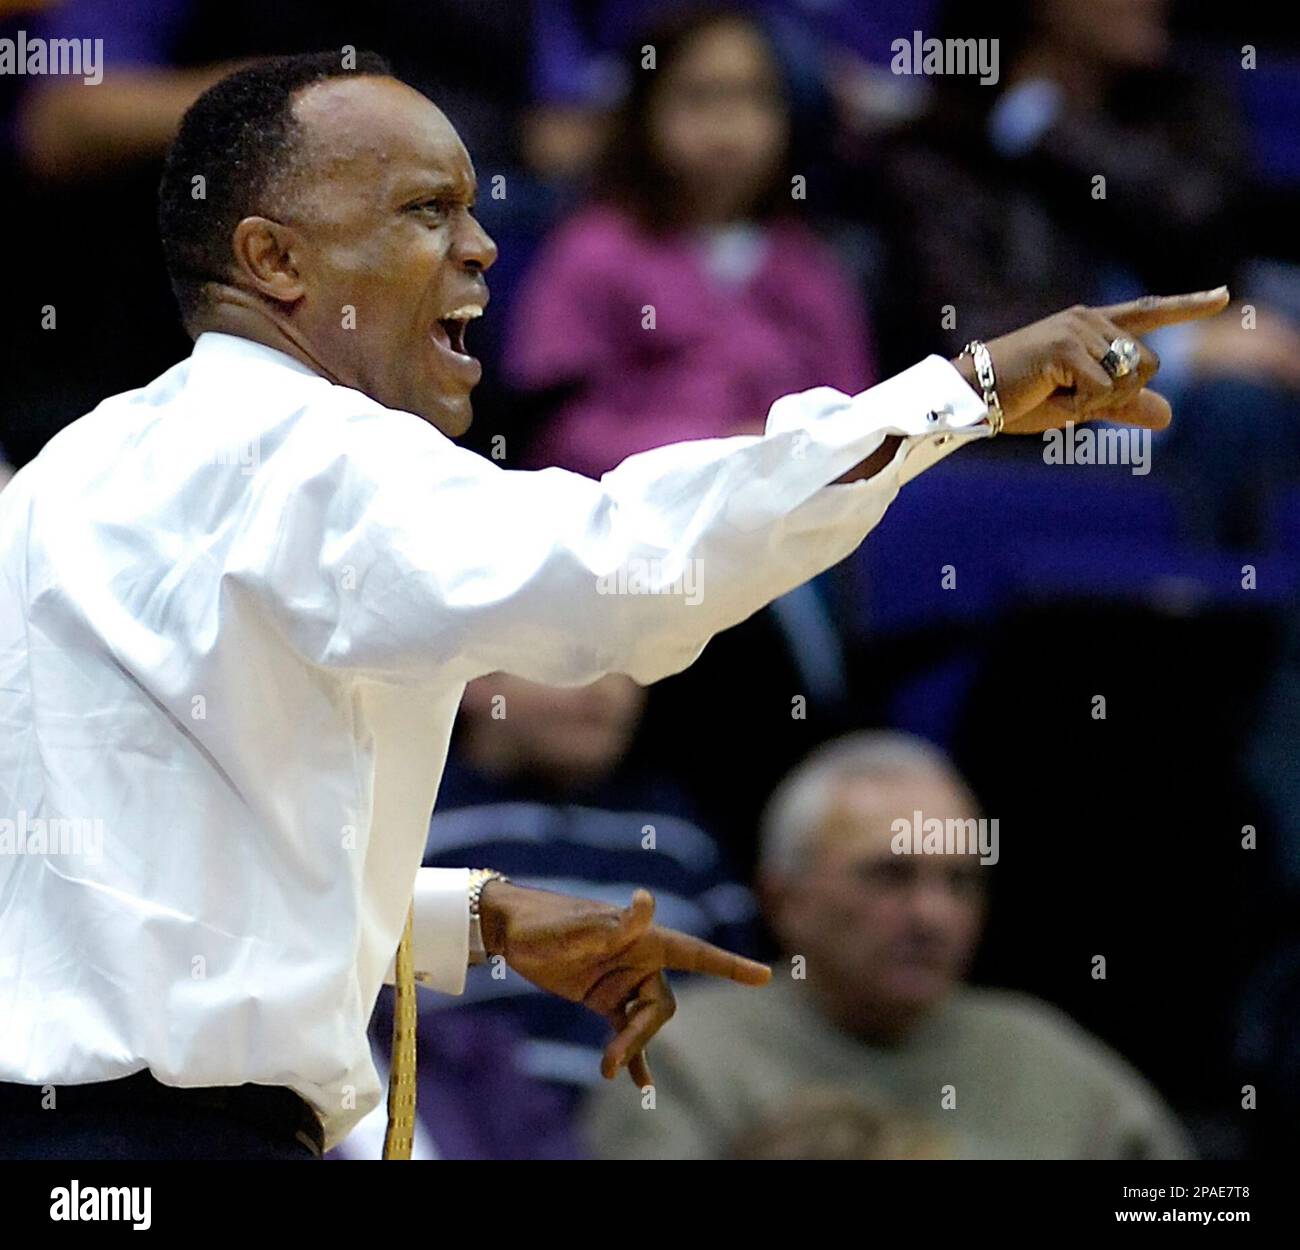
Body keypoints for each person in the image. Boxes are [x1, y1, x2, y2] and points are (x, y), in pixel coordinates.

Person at [0, 50, 1225, 1160]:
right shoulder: (314, 453)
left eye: (473, 204)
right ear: (275, 260)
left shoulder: (68, 473)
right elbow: (626, 570)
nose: (483, 244)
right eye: (426, 209)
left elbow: (125, 887)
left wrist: (477, 917)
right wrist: (961, 397)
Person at [584, 732, 1193, 1159]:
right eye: (890, 876)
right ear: (784, 898)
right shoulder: (680, 1058)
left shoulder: (1053, 1061)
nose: (933, 915)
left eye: (960, 882)